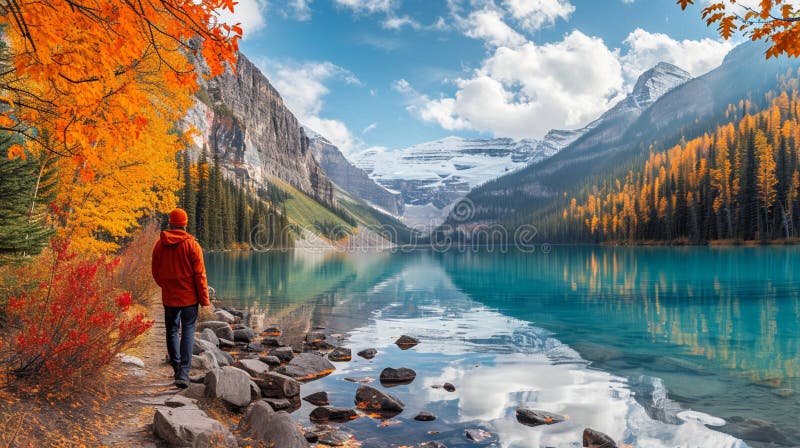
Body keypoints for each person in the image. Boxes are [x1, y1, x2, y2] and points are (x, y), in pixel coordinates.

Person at [151, 208, 211, 388]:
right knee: (188, 331)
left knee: (171, 331)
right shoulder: (192, 246)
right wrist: (205, 301)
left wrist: (166, 285)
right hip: (189, 299)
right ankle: (184, 374)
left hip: (170, 297)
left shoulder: (160, 245)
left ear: (171, 223)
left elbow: (156, 272)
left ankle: (177, 369)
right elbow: (200, 275)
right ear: (185, 224)